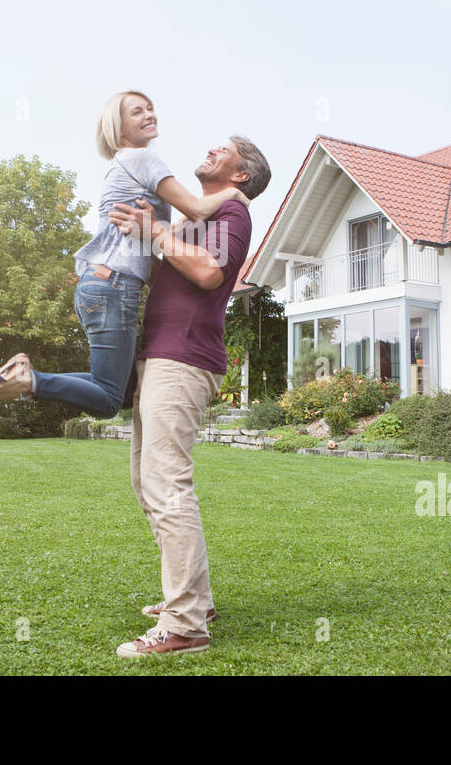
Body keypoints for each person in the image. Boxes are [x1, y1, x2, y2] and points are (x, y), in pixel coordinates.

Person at [0, 91, 248, 413]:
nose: (149, 115)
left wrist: (170, 231)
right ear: (119, 128)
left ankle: (26, 381)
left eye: (150, 109)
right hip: (115, 285)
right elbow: (197, 210)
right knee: (110, 400)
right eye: (137, 112)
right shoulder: (142, 158)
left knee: (121, 390)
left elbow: (168, 230)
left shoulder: (120, 166)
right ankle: (31, 381)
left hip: (96, 284)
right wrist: (235, 193)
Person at [107, 136, 271, 658]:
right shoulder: (196, 219)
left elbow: (206, 272)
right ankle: (193, 598)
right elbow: (171, 267)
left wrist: (154, 229)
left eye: (223, 150)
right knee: (147, 481)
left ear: (241, 174)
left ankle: (185, 626)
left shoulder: (232, 213)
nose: (209, 151)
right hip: (160, 355)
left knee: (167, 484)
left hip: (182, 357)